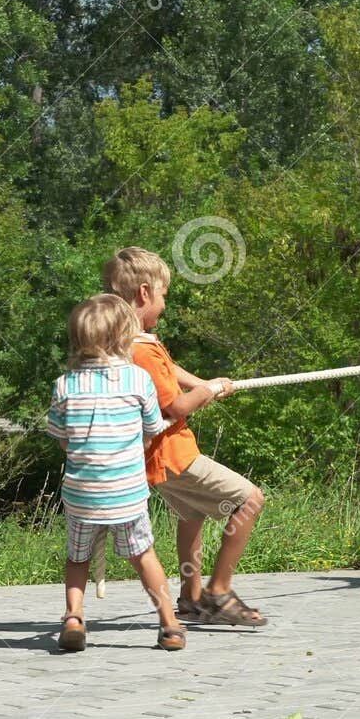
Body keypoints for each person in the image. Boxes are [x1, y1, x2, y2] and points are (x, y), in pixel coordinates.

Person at [103, 247, 267, 627]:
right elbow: (176, 407)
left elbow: (170, 372)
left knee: (191, 514)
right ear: (144, 294)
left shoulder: (131, 340)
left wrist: (208, 385)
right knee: (249, 499)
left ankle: (191, 597)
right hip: (172, 455)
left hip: (157, 458)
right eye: (163, 296)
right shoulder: (140, 350)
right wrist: (205, 392)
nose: (164, 304)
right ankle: (219, 591)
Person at [46, 294, 186, 652]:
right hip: (126, 493)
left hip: (82, 496)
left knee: (78, 559)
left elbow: (62, 440)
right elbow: (153, 427)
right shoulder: (138, 380)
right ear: (125, 337)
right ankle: (170, 624)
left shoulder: (65, 385)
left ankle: (74, 617)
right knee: (144, 556)